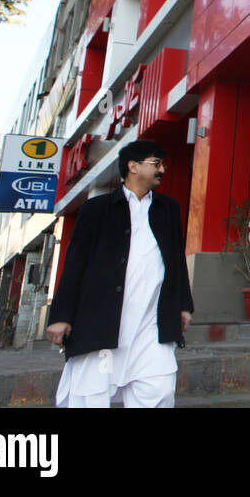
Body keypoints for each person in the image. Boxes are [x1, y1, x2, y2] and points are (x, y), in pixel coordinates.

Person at [46, 140, 194, 408]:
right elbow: (75, 264)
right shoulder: (96, 209)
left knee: (157, 389)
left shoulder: (168, 209)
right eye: (156, 164)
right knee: (91, 393)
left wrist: (184, 305)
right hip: (102, 319)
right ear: (133, 166)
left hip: (151, 321)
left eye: (163, 164)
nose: (163, 169)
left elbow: (176, 259)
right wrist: (61, 316)